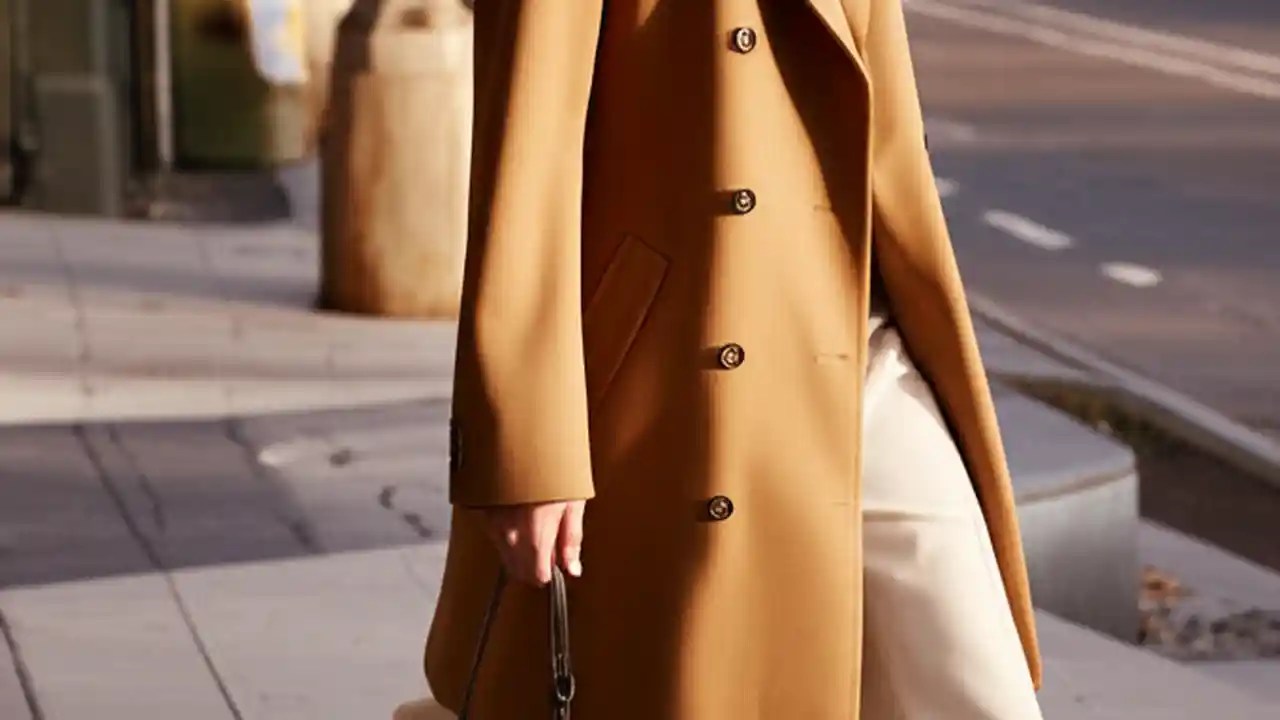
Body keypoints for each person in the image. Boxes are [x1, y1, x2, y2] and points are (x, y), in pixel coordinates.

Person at [421, 0, 1045, 717]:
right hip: (687, 351)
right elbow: (524, 138)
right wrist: (526, 442)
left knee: (977, 687)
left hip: (860, 332)